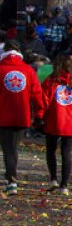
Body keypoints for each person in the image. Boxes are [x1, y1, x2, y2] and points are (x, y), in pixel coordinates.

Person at [0, 42, 41, 196]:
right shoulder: (28, 70)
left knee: (8, 149)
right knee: (13, 148)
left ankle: (11, 180)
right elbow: (37, 94)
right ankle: (10, 179)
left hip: (3, 115)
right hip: (22, 114)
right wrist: (39, 114)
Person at [39, 55, 72, 195]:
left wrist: (38, 117)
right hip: (70, 122)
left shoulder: (51, 81)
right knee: (67, 153)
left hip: (53, 120)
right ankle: (64, 185)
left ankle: (53, 179)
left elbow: (44, 100)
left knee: (51, 150)